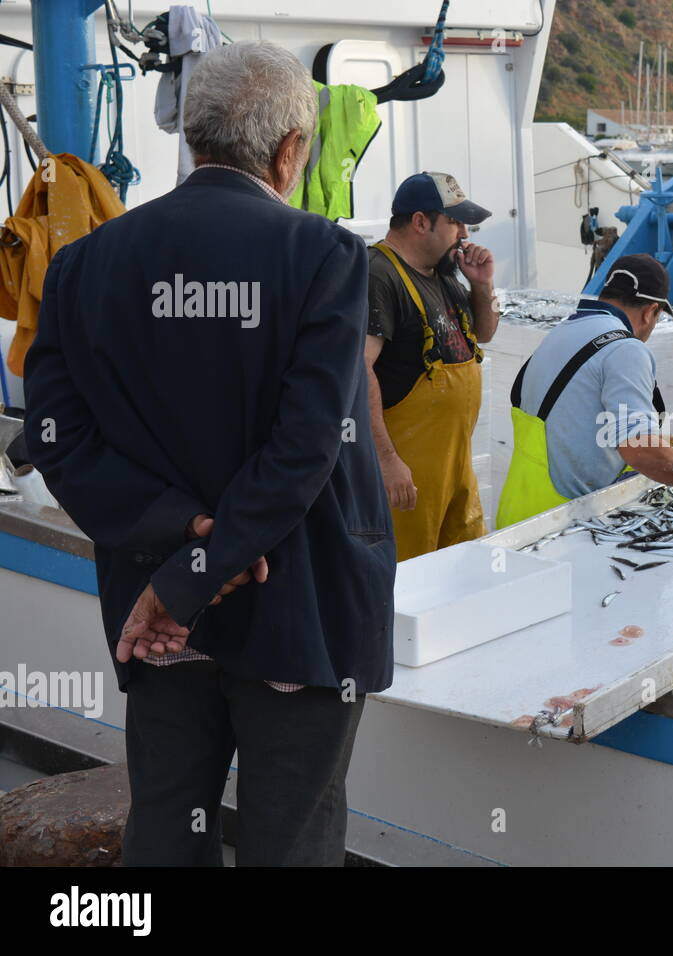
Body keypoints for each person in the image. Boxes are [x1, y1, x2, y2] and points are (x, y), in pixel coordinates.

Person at [22, 41, 394, 865]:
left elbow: (54, 435)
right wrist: (208, 563)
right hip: (298, 610)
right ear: (292, 149)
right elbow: (307, 448)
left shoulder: (85, 265)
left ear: (192, 136)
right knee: (288, 838)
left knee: (163, 823)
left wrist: (178, 546)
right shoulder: (325, 257)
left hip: (154, 614)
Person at [496, 254, 673, 526]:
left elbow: (587, 429)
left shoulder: (566, 332)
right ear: (651, 311)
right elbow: (639, 450)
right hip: (562, 522)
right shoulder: (625, 349)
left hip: (519, 514)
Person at [367, 171, 498, 561]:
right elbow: (358, 372)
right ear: (421, 222)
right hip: (406, 478)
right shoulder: (379, 273)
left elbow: (486, 333)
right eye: (455, 221)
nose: (464, 233)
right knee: (406, 584)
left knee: (463, 575)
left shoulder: (444, 275)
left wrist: (483, 284)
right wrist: (387, 462)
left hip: (456, 468)